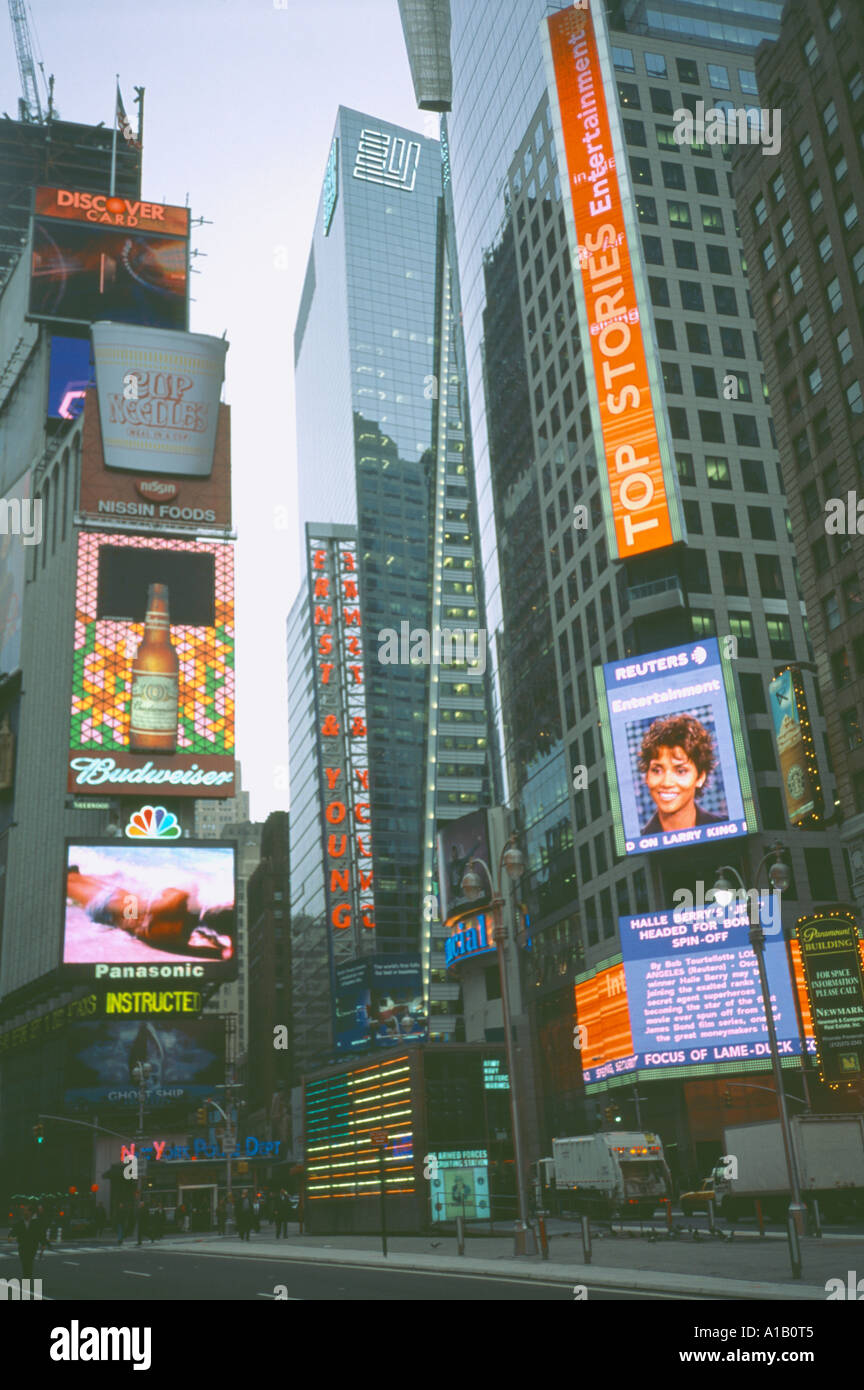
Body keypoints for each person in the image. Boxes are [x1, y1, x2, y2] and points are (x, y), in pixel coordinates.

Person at [637, 714, 726, 835]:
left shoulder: (727, 827)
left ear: (700, 777)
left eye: (680, 771)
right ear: (646, 777)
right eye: (657, 770)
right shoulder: (638, 843)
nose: (667, 783)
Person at [10, 1204, 41, 1282]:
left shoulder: (35, 1223)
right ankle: (26, 1276)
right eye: (23, 1211)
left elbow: (40, 1234)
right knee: (24, 1261)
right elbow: (13, 1231)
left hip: (32, 1246)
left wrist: (43, 1243)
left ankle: (28, 1277)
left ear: (30, 1212)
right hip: (22, 1246)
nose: (24, 1212)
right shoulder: (19, 1223)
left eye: (26, 1210)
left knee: (29, 1261)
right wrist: (11, 1236)